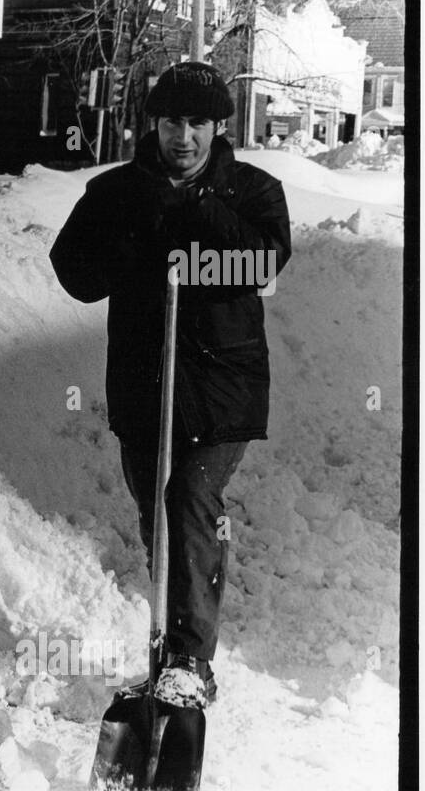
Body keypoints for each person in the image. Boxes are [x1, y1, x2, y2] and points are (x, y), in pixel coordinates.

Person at [49, 62, 292, 709]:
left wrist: (198, 213)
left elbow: (262, 263)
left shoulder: (253, 191)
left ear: (218, 127)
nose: (182, 136)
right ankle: (166, 645)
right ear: (153, 123)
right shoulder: (116, 192)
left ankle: (190, 658)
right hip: (142, 383)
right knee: (158, 513)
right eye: (170, 121)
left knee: (189, 496)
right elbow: (72, 270)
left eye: (197, 123)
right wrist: (130, 248)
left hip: (220, 389)